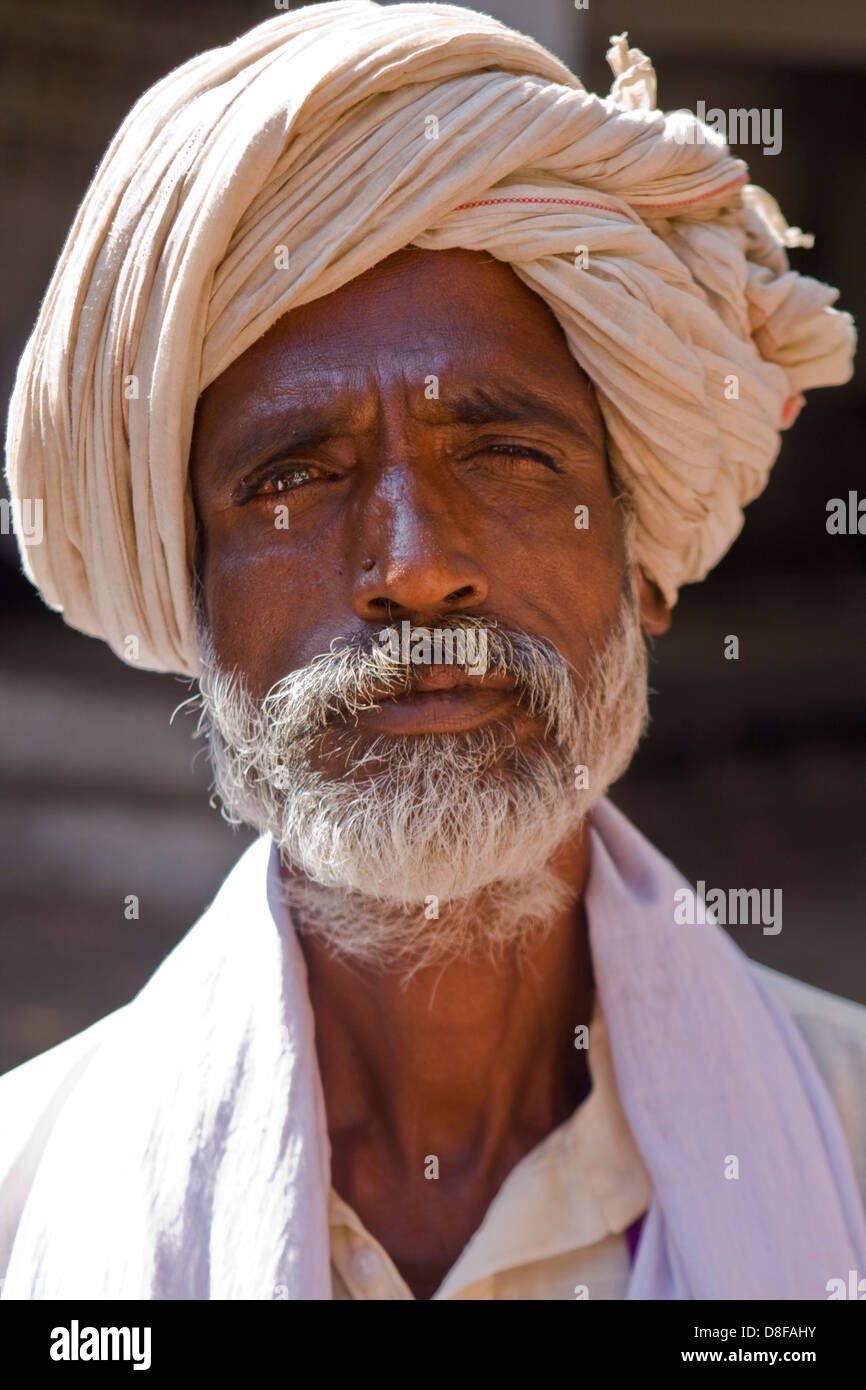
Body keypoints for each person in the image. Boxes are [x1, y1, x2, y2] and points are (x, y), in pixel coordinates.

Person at [1, 2, 864, 1301]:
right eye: (293, 478)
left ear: (639, 566)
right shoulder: (28, 1198)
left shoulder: (845, 1139)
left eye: (507, 454)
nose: (412, 565)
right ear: (190, 603)